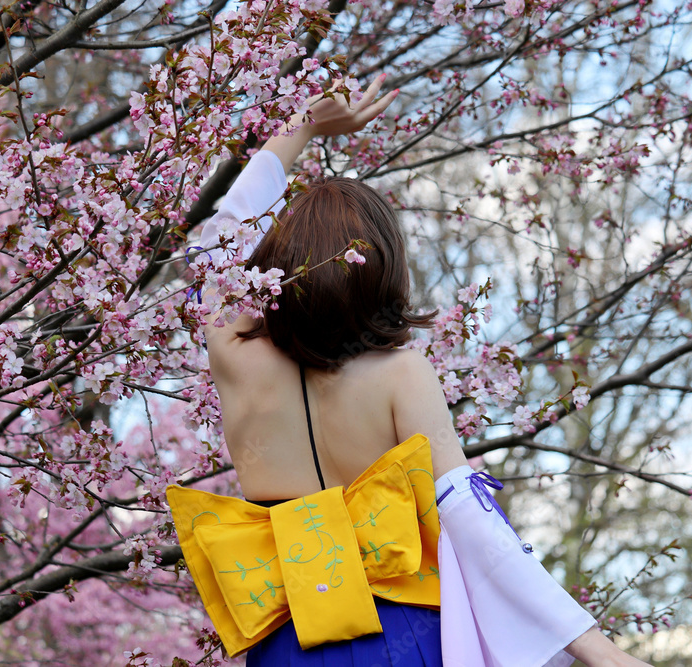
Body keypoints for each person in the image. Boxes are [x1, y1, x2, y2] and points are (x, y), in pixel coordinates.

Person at [167, 74, 653, 667]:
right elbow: (472, 523)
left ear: (278, 261)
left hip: (288, 641)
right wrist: (599, 652)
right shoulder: (400, 374)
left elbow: (222, 231)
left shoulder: (231, 348)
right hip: (405, 636)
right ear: (382, 268)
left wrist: (306, 126)